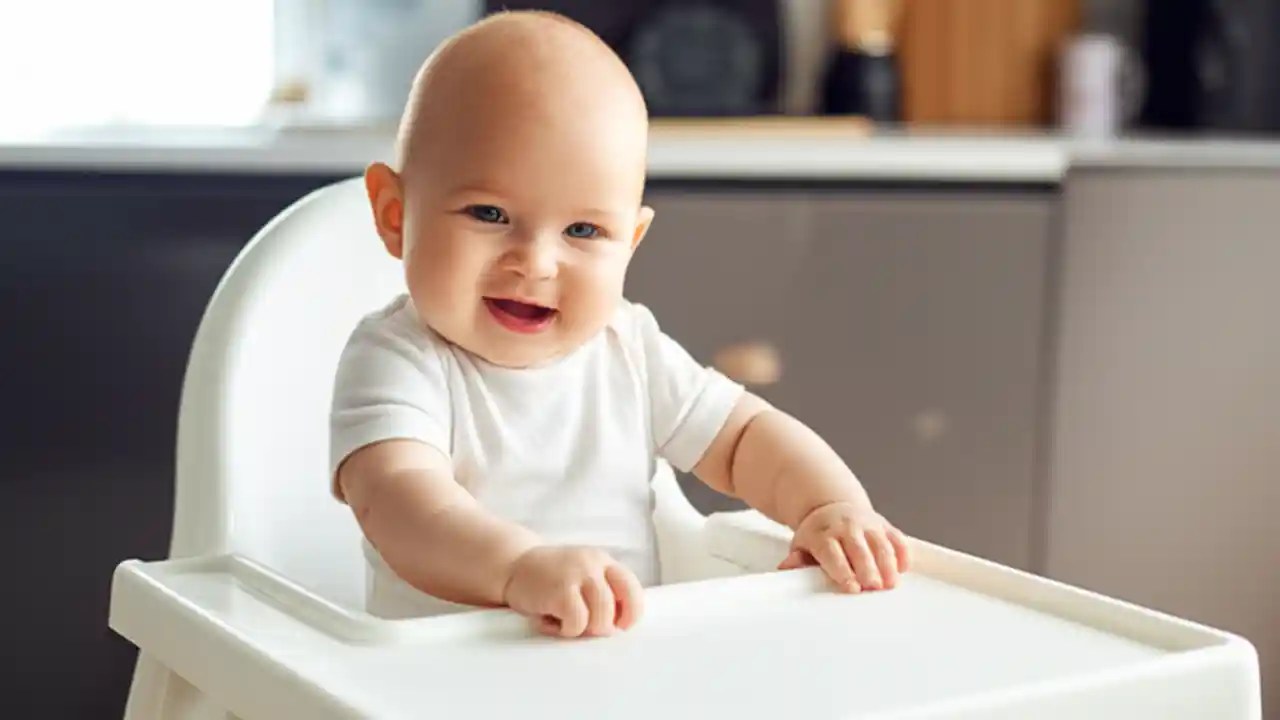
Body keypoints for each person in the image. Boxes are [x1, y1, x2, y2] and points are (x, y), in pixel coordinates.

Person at [329, 9, 911, 638]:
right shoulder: (397, 358)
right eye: (489, 213)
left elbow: (744, 439)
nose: (535, 262)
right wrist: (518, 568)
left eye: (583, 230)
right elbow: (401, 503)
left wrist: (829, 507)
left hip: (623, 670)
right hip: (443, 679)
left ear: (630, 243)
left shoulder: (628, 345)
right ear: (395, 214)